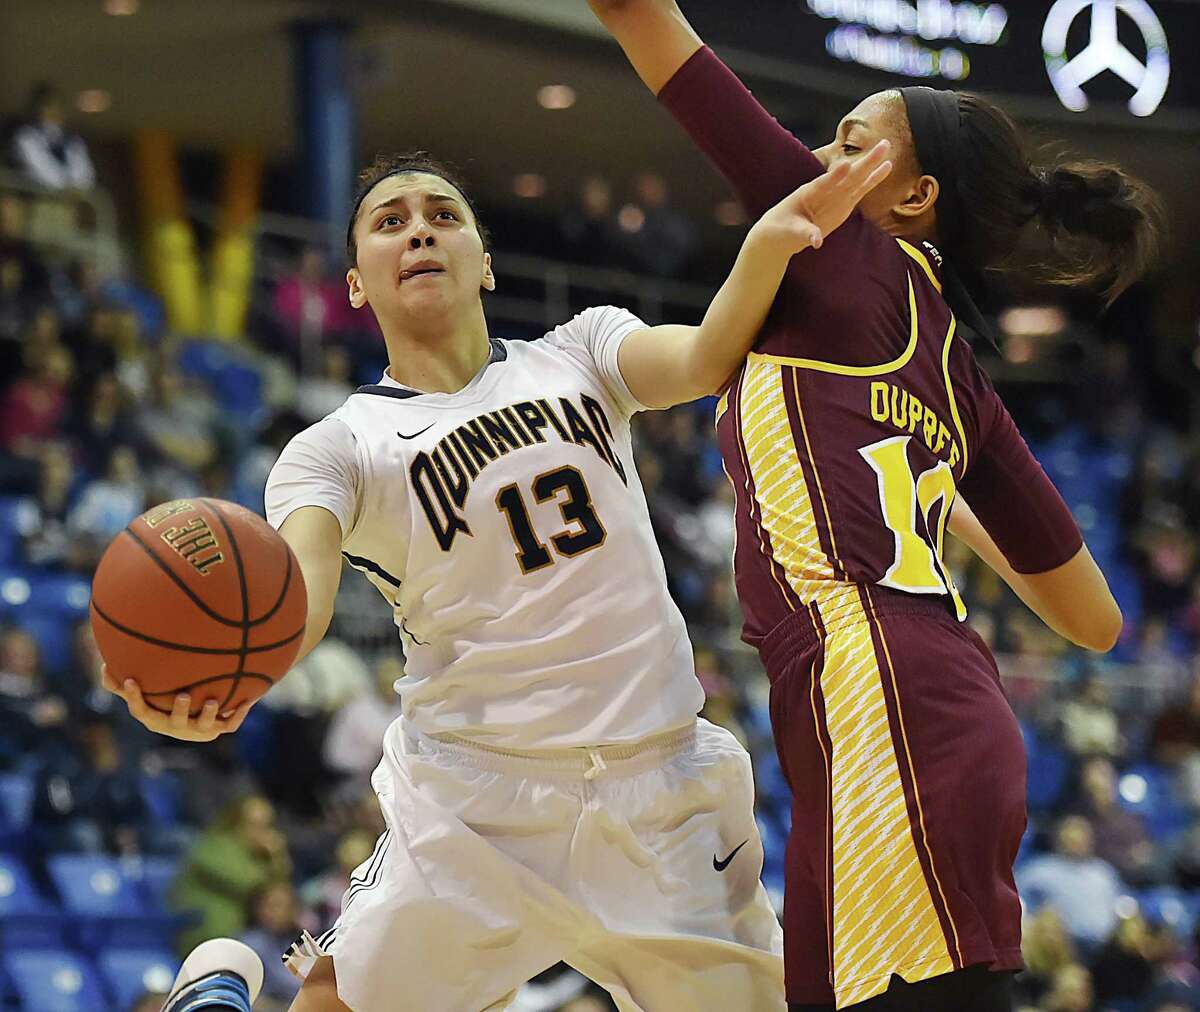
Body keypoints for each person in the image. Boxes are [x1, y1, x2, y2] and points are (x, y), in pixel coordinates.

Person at [104, 143, 894, 1012]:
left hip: (661, 789)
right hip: (476, 807)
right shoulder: (334, 449)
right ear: (356, 284)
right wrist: (222, 681)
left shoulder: (582, 349)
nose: (419, 234)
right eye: (389, 222)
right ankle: (215, 991)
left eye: (444, 217)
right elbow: (303, 597)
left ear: (483, 261)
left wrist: (766, 247)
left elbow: (706, 359)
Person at [586, 2, 1160, 1009]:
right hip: (904, 703)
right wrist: (942, 499)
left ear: (912, 196)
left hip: (880, 694)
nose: (814, 155)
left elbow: (639, 17)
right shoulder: (960, 376)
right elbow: (1095, 618)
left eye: (850, 144)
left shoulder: (835, 244)